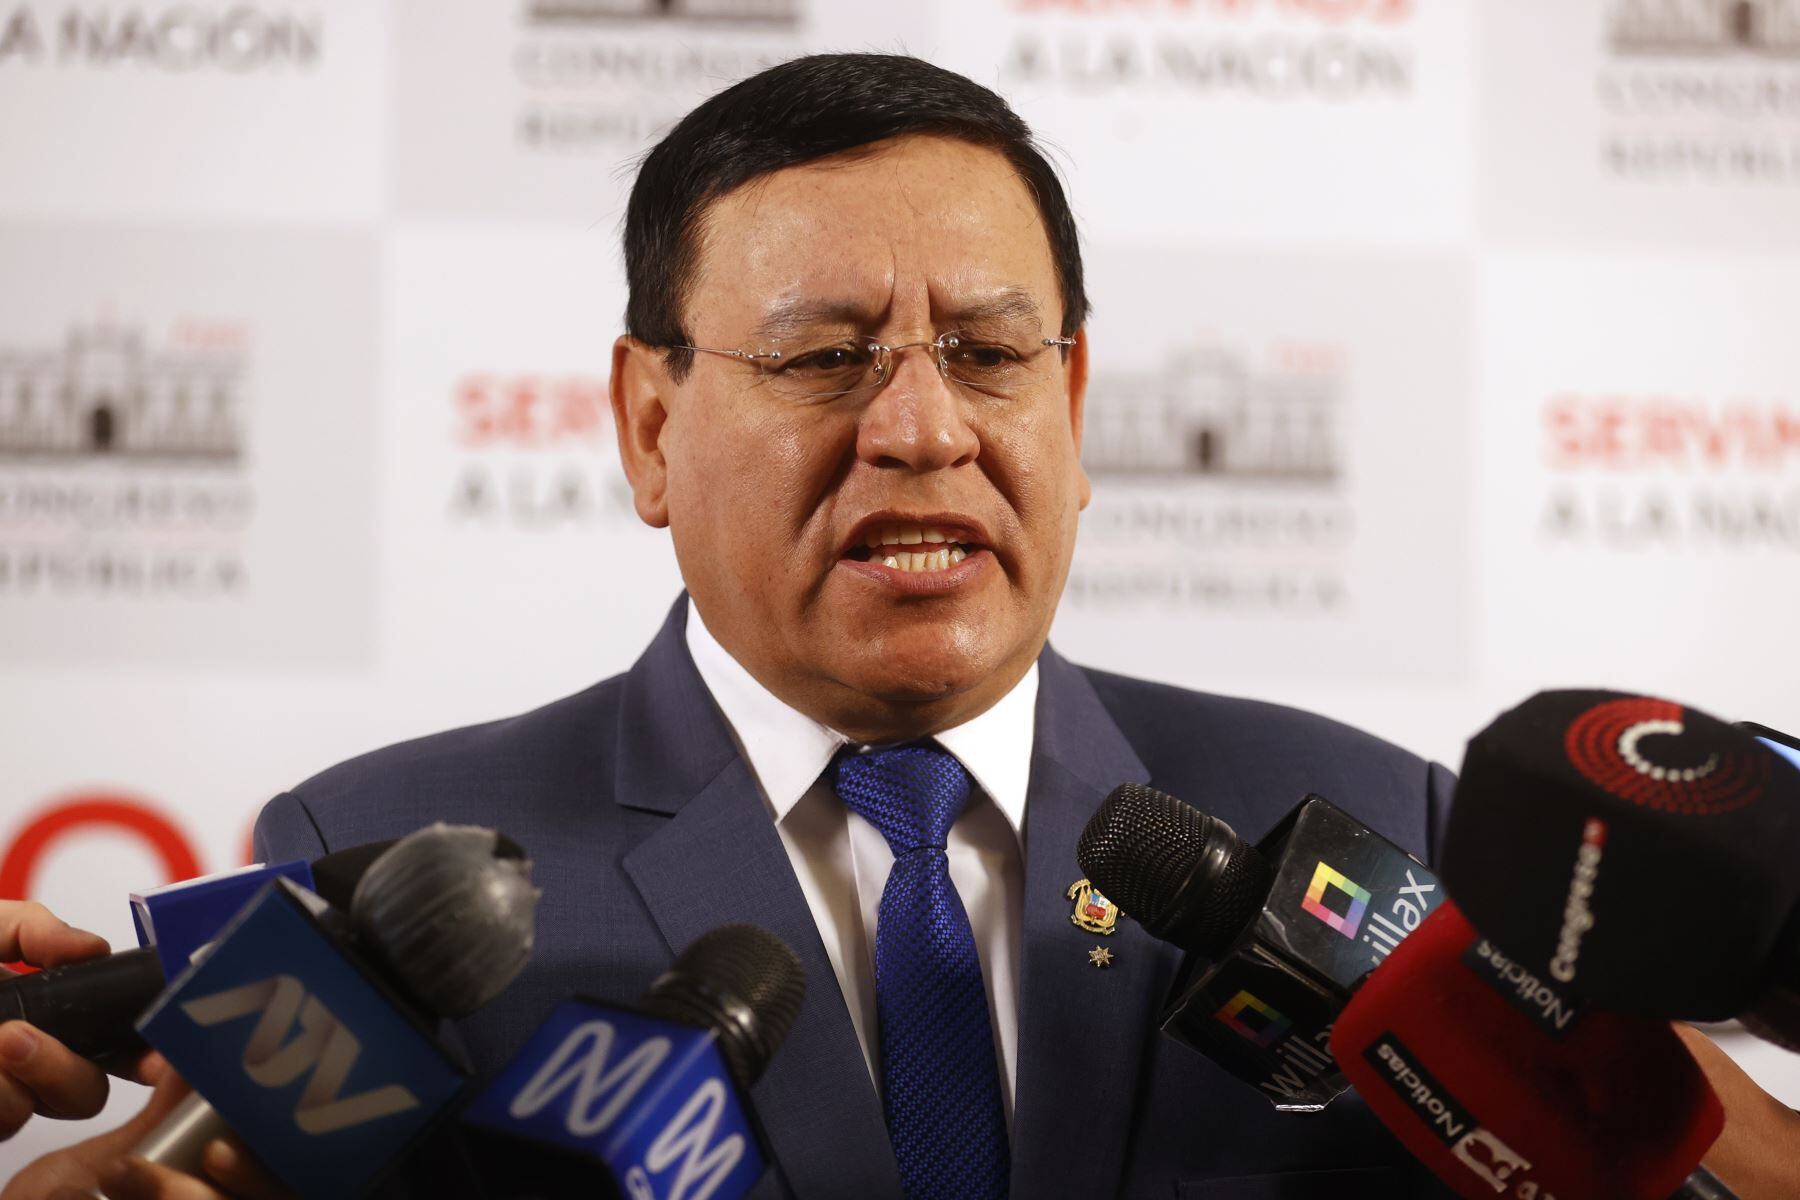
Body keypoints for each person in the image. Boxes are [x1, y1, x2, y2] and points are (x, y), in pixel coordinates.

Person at [9, 52, 1799, 1200]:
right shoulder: (379, 869)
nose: (925, 427)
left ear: (1072, 405)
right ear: (649, 425)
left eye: (993, 353)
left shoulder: (1388, 835)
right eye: (823, 357)